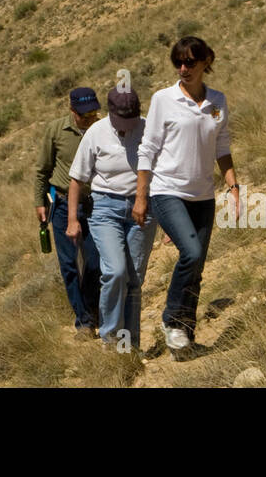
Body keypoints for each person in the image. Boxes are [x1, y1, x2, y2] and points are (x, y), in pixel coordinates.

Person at [135, 36, 238, 357]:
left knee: (198, 266)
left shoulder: (217, 102)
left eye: (190, 62)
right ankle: (171, 321)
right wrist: (141, 196)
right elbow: (147, 149)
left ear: (206, 62)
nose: (183, 68)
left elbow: (222, 148)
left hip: (203, 195)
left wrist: (234, 186)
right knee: (191, 253)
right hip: (167, 191)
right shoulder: (163, 99)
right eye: (178, 62)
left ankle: (185, 334)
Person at [67, 87, 155, 352]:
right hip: (106, 208)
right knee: (115, 271)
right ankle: (110, 338)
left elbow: (163, 173)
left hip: (144, 209)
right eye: (122, 122)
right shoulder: (96, 133)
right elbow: (76, 179)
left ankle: (130, 346)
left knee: (134, 279)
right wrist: (73, 219)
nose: (127, 127)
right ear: (111, 114)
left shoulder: (148, 128)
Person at [35, 87, 103, 337]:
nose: (90, 119)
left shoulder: (102, 128)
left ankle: (93, 307)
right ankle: (84, 321)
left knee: (96, 262)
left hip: (95, 203)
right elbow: (42, 170)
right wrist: (39, 202)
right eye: (84, 115)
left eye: (93, 113)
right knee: (69, 265)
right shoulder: (55, 131)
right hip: (62, 205)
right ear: (72, 110)